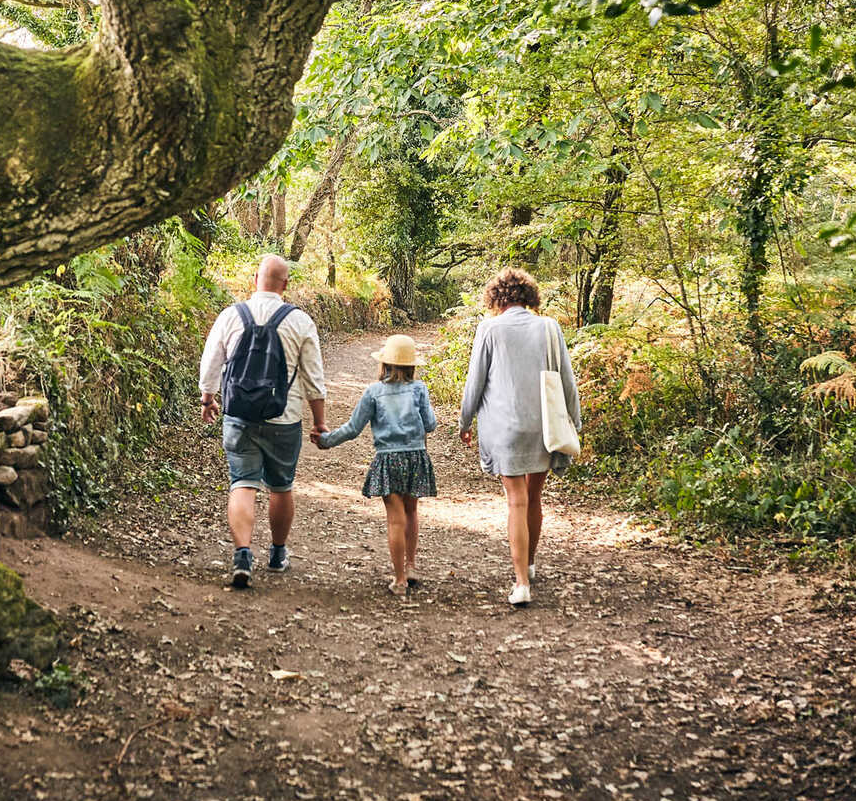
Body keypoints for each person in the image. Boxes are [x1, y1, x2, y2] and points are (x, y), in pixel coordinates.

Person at [199, 255, 327, 588]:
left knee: (242, 482)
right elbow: (314, 378)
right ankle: (277, 553)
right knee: (281, 486)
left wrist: (208, 399)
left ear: (255, 278)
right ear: (285, 284)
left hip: (239, 415)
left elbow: (211, 363)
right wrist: (319, 421)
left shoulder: (231, 315)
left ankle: (242, 555)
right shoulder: (299, 321)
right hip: (284, 418)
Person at [457, 267, 581, 608]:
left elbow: (475, 382)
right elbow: (567, 382)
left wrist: (464, 421)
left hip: (505, 428)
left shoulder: (489, 328)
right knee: (534, 497)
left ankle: (522, 583)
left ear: (496, 299)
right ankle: (528, 562)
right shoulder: (549, 327)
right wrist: (575, 422)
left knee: (516, 500)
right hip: (543, 426)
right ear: (529, 297)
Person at [314, 334, 438, 594]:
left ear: (384, 364)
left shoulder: (374, 392)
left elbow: (352, 428)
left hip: (388, 460)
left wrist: (326, 441)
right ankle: (411, 565)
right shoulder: (419, 389)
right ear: (411, 365)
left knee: (395, 520)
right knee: (411, 512)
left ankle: (400, 580)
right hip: (415, 457)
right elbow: (430, 425)